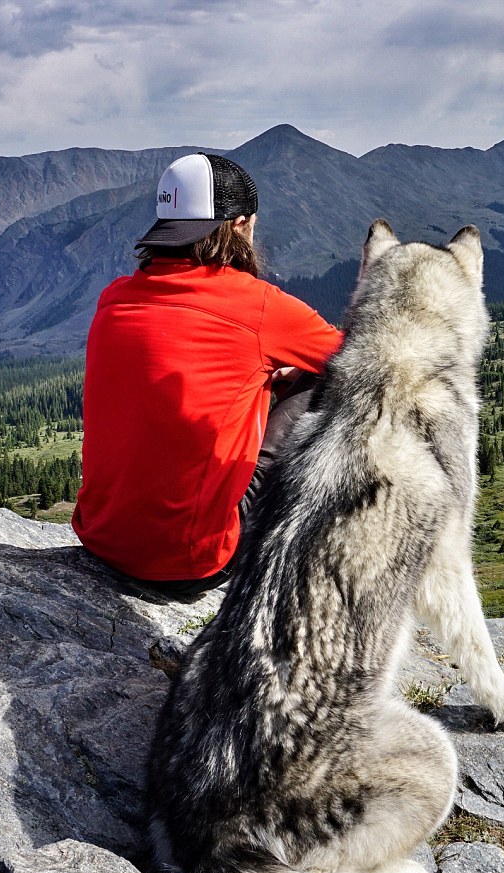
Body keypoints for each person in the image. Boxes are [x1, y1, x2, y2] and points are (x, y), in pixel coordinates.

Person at [72, 153, 343, 595]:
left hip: (101, 540)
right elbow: (364, 356)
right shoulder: (259, 305)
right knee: (330, 379)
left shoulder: (115, 296)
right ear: (240, 225)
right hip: (192, 563)